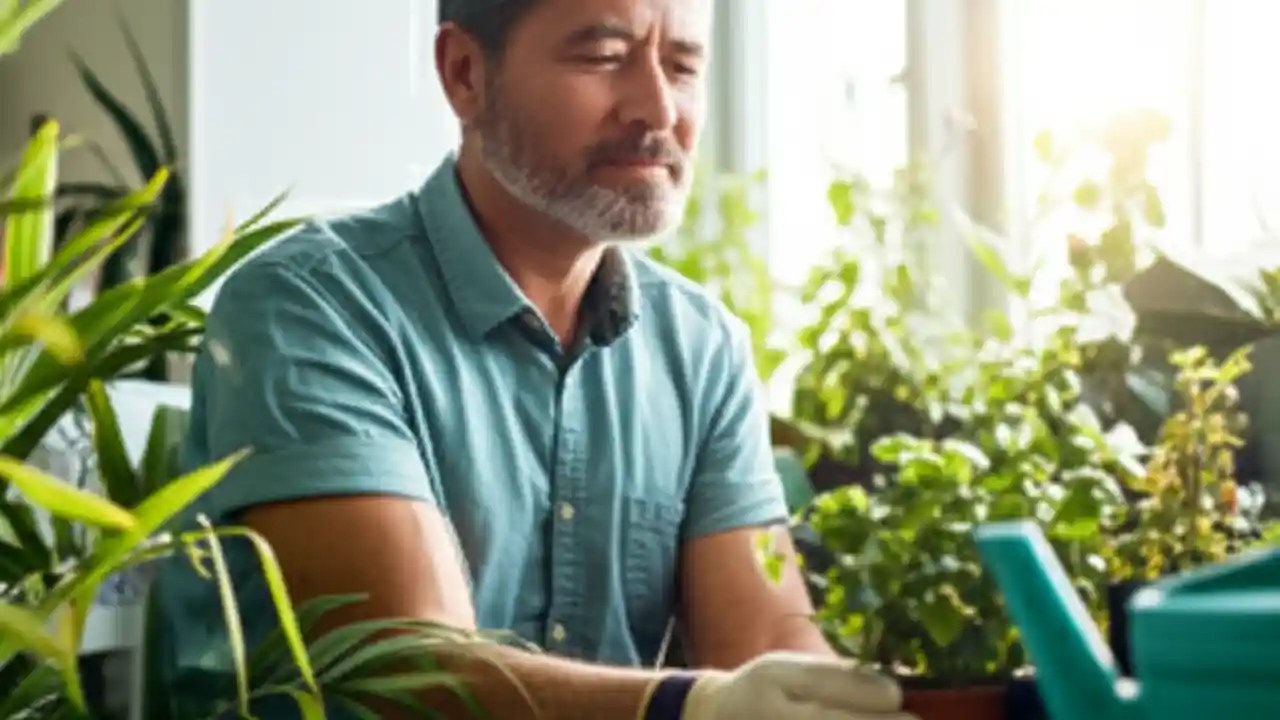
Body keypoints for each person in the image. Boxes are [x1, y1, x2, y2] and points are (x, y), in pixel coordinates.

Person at [154, 0, 919, 718]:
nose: (658, 111)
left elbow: (767, 647)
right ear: (465, 75)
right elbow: (407, 670)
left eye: (683, 67)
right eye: (604, 57)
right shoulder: (311, 305)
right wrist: (687, 707)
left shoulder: (701, 345)